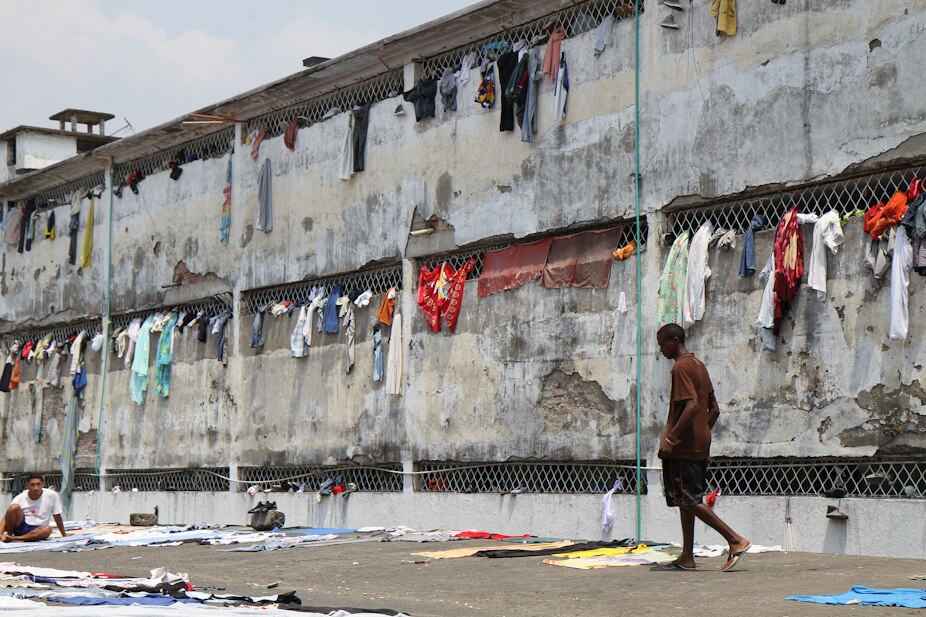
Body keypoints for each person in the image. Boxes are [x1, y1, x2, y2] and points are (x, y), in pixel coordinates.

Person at [656, 323, 750, 572]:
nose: (661, 350)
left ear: (675, 340)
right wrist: (703, 432)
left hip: (684, 446)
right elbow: (714, 409)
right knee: (686, 498)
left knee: (687, 499)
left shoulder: (681, 367)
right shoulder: (699, 365)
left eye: (662, 344)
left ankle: (735, 539)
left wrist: (672, 439)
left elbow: (692, 406)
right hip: (698, 443)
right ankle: (687, 555)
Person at [0, 474, 67, 542]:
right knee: (13, 507)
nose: (36, 488)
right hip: (22, 526)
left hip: (38, 529)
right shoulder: (20, 498)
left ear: (43, 484)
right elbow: (7, 516)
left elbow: (57, 515)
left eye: (38, 484)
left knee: (48, 529)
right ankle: (10, 535)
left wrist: (64, 534)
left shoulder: (52, 495)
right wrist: (0, 533)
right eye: (32, 485)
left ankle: (15, 538)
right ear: (27, 486)